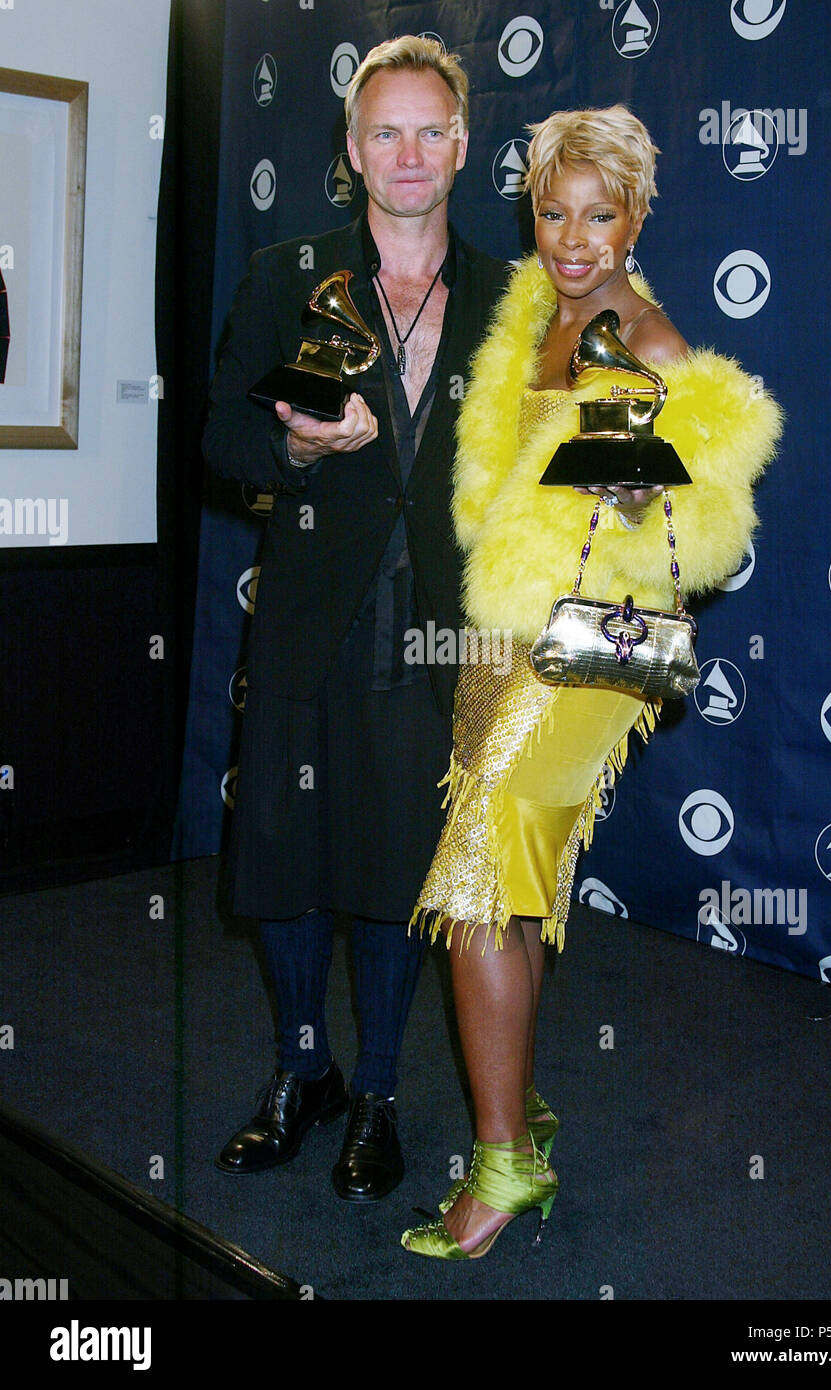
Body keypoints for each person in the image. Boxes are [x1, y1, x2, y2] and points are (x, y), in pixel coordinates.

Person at [400, 106, 783, 1257]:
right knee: (508, 881)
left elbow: (711, 523)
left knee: (473, 890)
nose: (573, 238)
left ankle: (505, 1165)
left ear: (637, 215)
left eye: (599, 215)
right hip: (502, 626)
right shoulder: (535, 308)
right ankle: (516, 1103)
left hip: (583, 643)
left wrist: (646, 498)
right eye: (554, 210)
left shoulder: (645, 337)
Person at [202, 37, 507, 1201]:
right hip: (309, 618)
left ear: (464, 145)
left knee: (393, 869)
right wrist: (289, 446)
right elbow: (221, 435)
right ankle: (301, 1071)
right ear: (351, 148)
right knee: (283, 859)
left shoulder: (505, 298)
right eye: (387, 131)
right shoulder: (289, 276)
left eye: (432, 130)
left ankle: (376, 1091)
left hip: (435, 629)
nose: (410, 153)